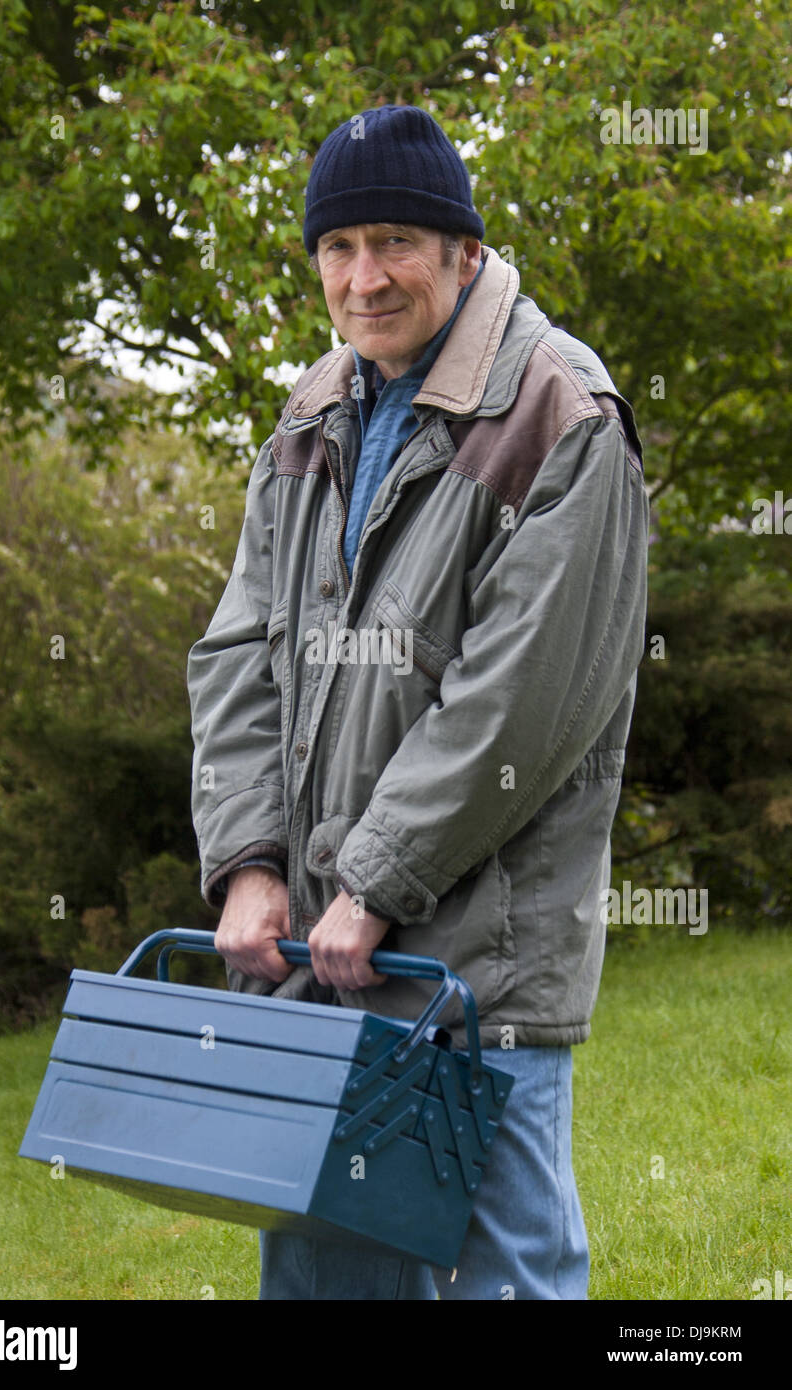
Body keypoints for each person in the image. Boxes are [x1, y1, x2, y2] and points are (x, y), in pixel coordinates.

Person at [186, 104, 649, 1300]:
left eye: (394, 240)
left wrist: (375, 883)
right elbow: (238, 648)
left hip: (468, 968)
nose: (363, 276)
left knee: (498, 1277)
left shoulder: (557, 409)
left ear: (463, 251)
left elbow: (519, 703)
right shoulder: (311, 411)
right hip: (310, 952)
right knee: (321, 1271)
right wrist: (249, 861)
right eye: (337, 249)